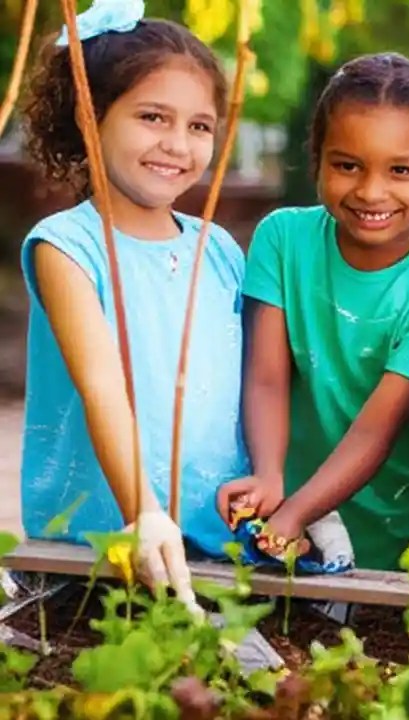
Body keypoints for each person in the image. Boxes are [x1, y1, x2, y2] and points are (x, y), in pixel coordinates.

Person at [18, 0, 245, 612]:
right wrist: (142, 511)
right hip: (102, 545)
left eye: (200, 126)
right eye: (153, 117)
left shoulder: (218, 249)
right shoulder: (68, 246)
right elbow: (102, 388)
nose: (178, 144)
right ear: (91, 116)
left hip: (216, 545)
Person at [215, 53, 409, 571]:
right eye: (347, 165)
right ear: (318, 159)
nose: (371, 191)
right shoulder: (283, 239)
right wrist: (270, 479)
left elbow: (374, 431)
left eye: (401, 170)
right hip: (278, 510)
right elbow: (266, 379)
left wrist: (298, 512)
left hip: (390, 530)